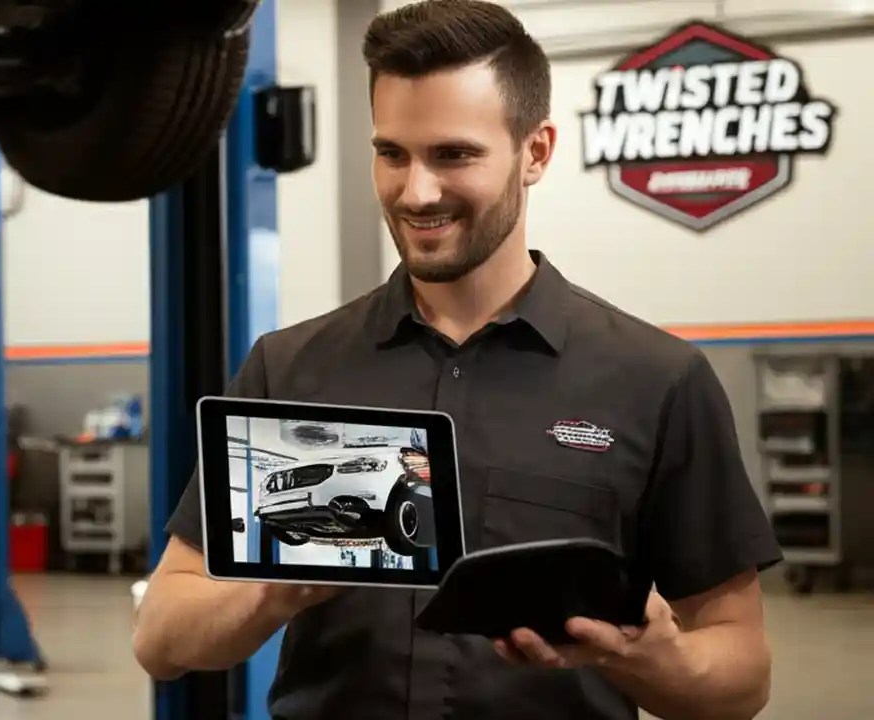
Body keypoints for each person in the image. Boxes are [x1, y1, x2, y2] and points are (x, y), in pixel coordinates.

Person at [132, 1, 782, 718]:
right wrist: (275, 588)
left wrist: (653, 660)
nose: (416, 192)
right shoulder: (289, 368)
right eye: (392, 154)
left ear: (534, 152)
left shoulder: (656, 381)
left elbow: (742, 673)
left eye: (454, 154)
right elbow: (162, 638)